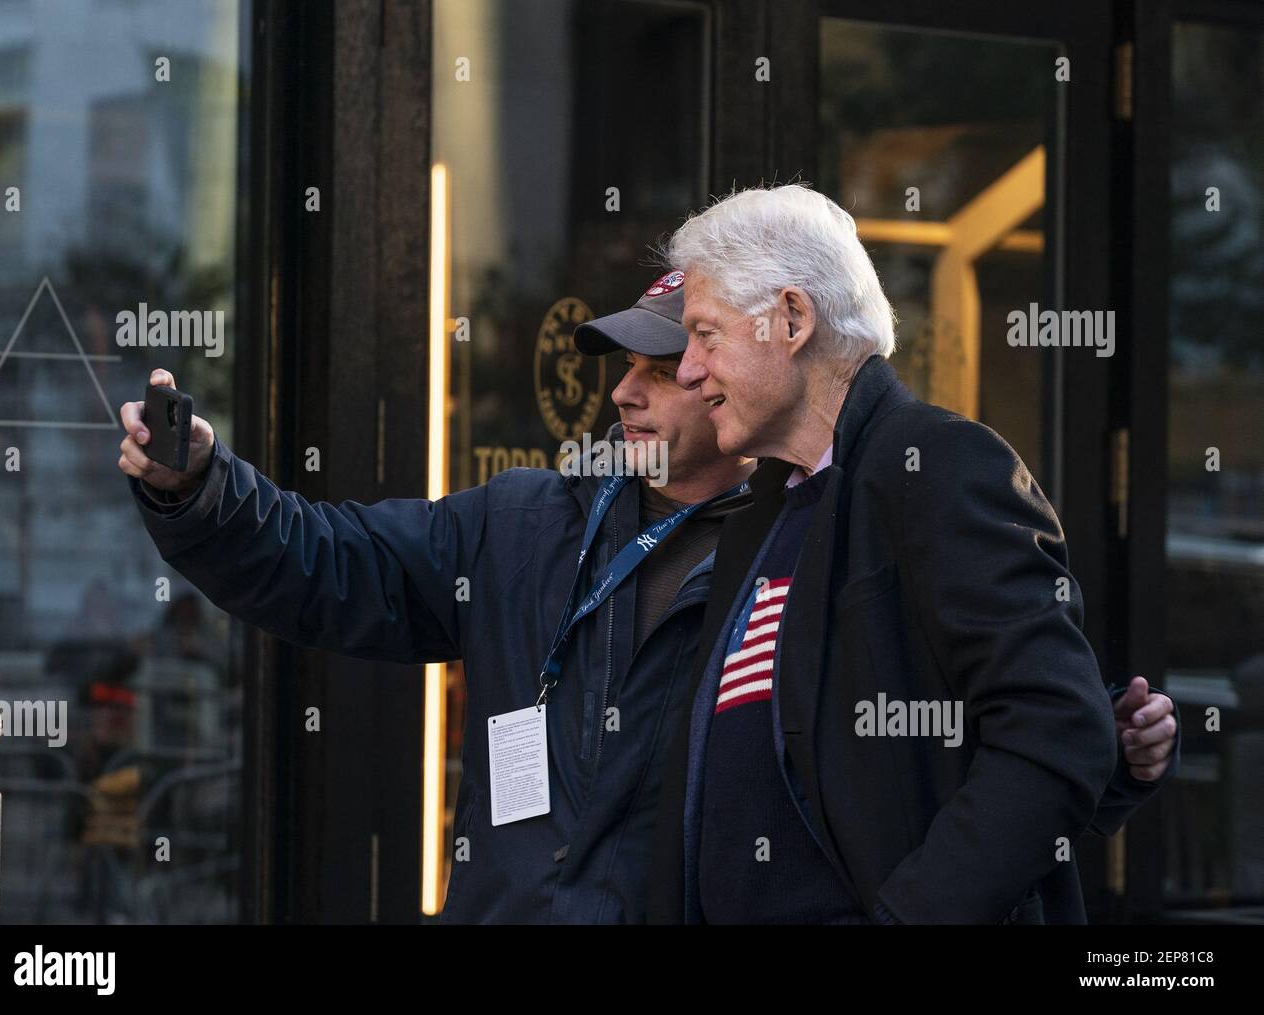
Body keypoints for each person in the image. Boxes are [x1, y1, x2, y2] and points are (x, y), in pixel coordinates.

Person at [117, 272, 755, 923]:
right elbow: (329, 561)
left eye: (661, 370)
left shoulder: (787, 558)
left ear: (728, 376)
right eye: (627, 364)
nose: (623, 392)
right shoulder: (523, 522)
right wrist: (202, 489)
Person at [644, 184, 1180, 924]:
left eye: (706, 334)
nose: (691, 369)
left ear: (792, 319)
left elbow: (1054, 732)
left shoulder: (934, 461)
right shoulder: (761, 515)